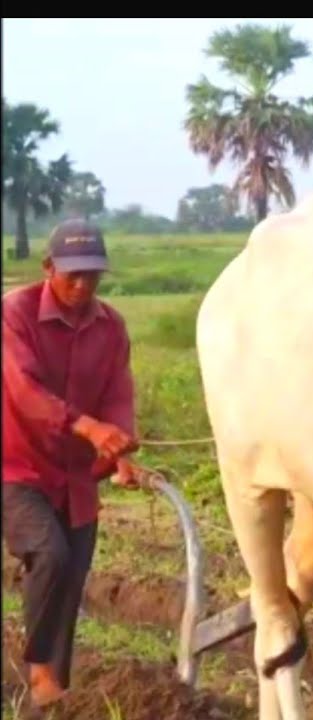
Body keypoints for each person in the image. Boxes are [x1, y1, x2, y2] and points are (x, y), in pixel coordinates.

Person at [2, 218, 141, 708]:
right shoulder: (14, 314)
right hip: (17, 468)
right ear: (48, 268)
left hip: (76, 478)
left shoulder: (111, 326)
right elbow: (24, 393)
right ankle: (39, 670)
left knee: (73, 576)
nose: (83, 285)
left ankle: (48, 700)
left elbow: (118, 393)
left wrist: (119, 450)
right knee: (50, 554)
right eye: (72, 274)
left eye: (93, 275)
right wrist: (89, 428)